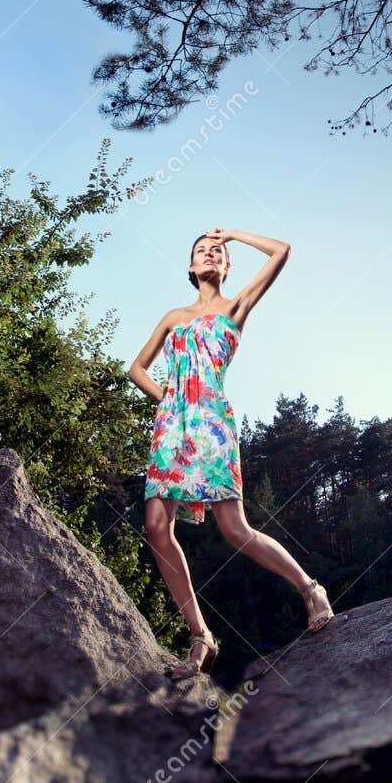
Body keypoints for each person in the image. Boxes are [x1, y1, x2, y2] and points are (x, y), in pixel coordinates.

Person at [129, 227, 333, 679]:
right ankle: (201, 636)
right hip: (171, 430)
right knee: (157, 528)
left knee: (235, 529)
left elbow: (282, 251)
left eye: (216, 252)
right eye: (201, 250)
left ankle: (310, 589)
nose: (209, 254)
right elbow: (135, 368)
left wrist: (234, 235)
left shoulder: (235, 308)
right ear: (189, 267)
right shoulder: (173, 316)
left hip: (213, 425)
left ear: (226, 267)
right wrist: (166, 398)